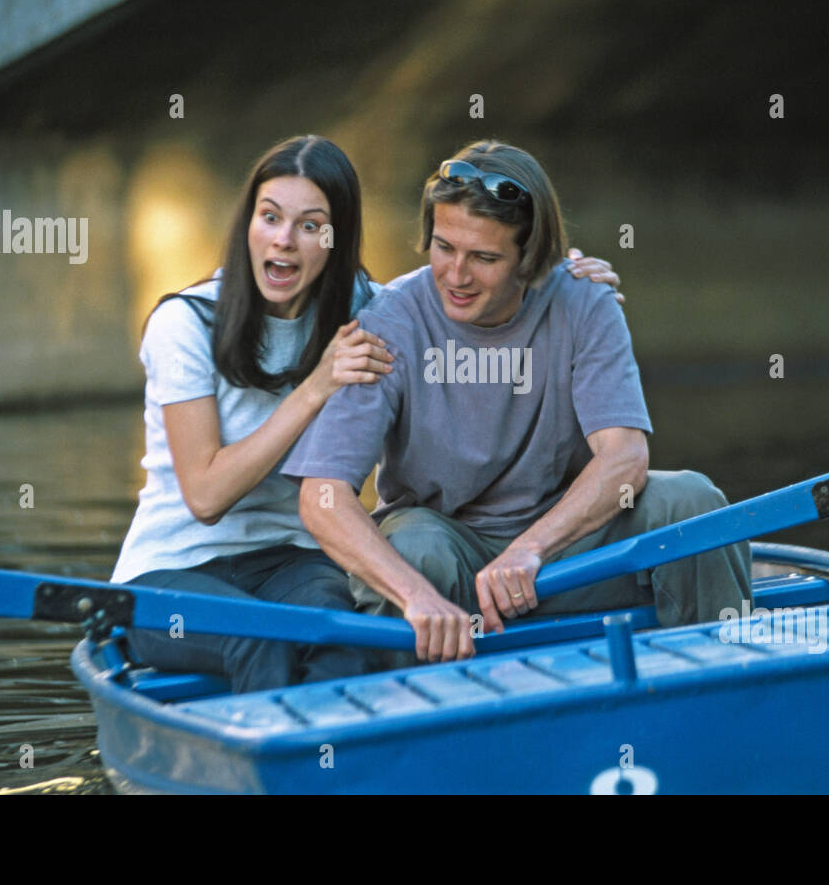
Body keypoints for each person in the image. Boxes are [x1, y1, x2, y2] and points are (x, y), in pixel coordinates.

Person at [111, 134, 623, 692]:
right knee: (260, 640)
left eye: (309, 225)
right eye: (269, 216)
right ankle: (275, 774)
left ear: (335, 239)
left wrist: (565, 277)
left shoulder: (364, 308)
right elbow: (206, 497)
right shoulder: (185, 324)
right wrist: (315, 386)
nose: (284, 240)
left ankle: (356, 767)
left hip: (292, 561)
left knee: (354, 645)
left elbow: (448, 290)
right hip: (172, 571)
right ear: (247, 225)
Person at [285, 140, 752, 665]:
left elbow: (624, 458)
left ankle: (725, 686)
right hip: (446, 554)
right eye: (443, 247)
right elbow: (321, 497)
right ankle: (422, 725)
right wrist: (415, 595)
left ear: (530, 257)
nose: (456, 275)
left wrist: (530, 550)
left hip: (566, 555)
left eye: (483, 257)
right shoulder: (389, 321)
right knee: (414, 550)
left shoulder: (585, 300)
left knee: (693, 502)